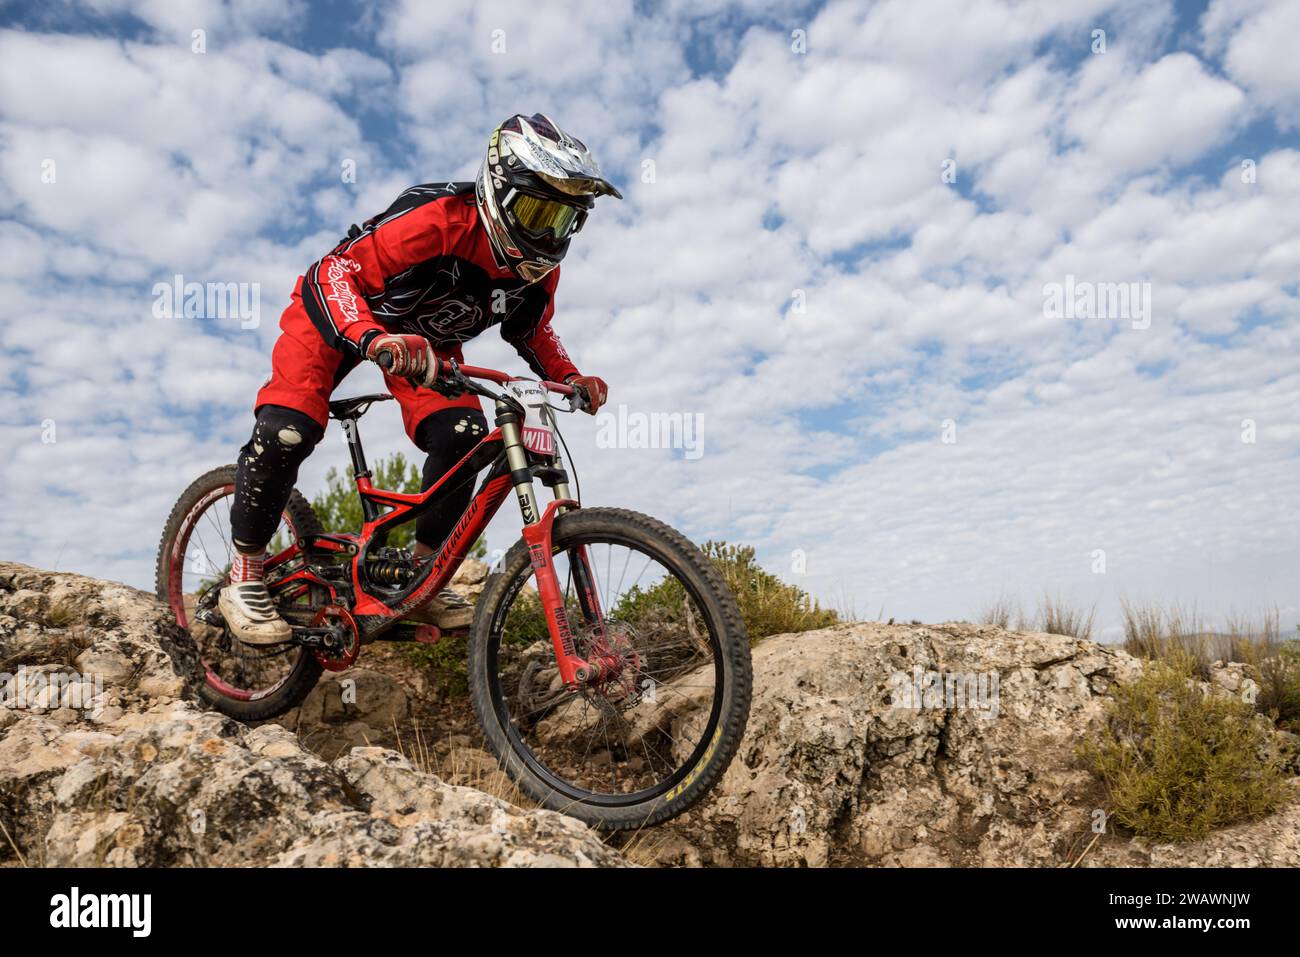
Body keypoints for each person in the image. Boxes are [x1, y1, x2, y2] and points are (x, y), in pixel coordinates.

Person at [219, 113, 620, 645]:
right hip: (339, 315)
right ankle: (246, 570)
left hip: (423, 347)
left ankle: (421, 579)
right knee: (290, 427)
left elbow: (533, 330)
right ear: (499, 190)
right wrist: (370, 337)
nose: (549, 233)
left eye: (565, 220)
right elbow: (333, 273)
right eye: (537, 211)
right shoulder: (440, 221)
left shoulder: (539, 271)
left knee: (464, 440)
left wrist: (570, 377)